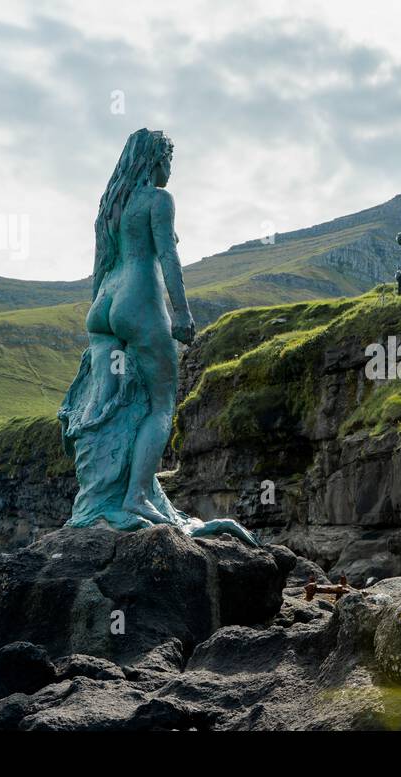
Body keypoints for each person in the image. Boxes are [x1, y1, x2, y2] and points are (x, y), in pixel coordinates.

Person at [58, 128, 261, 547]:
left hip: (104, 305)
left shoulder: (111, 206)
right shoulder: (158, 199)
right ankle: (133, 498)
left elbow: (101, 264)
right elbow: (168, 255)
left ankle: (100, 498)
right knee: (160, 404)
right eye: (169, 158)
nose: (171, 168)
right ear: (155, 159)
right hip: (140, 299)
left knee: (106, 406)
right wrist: (183, 313)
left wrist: (101, 314)